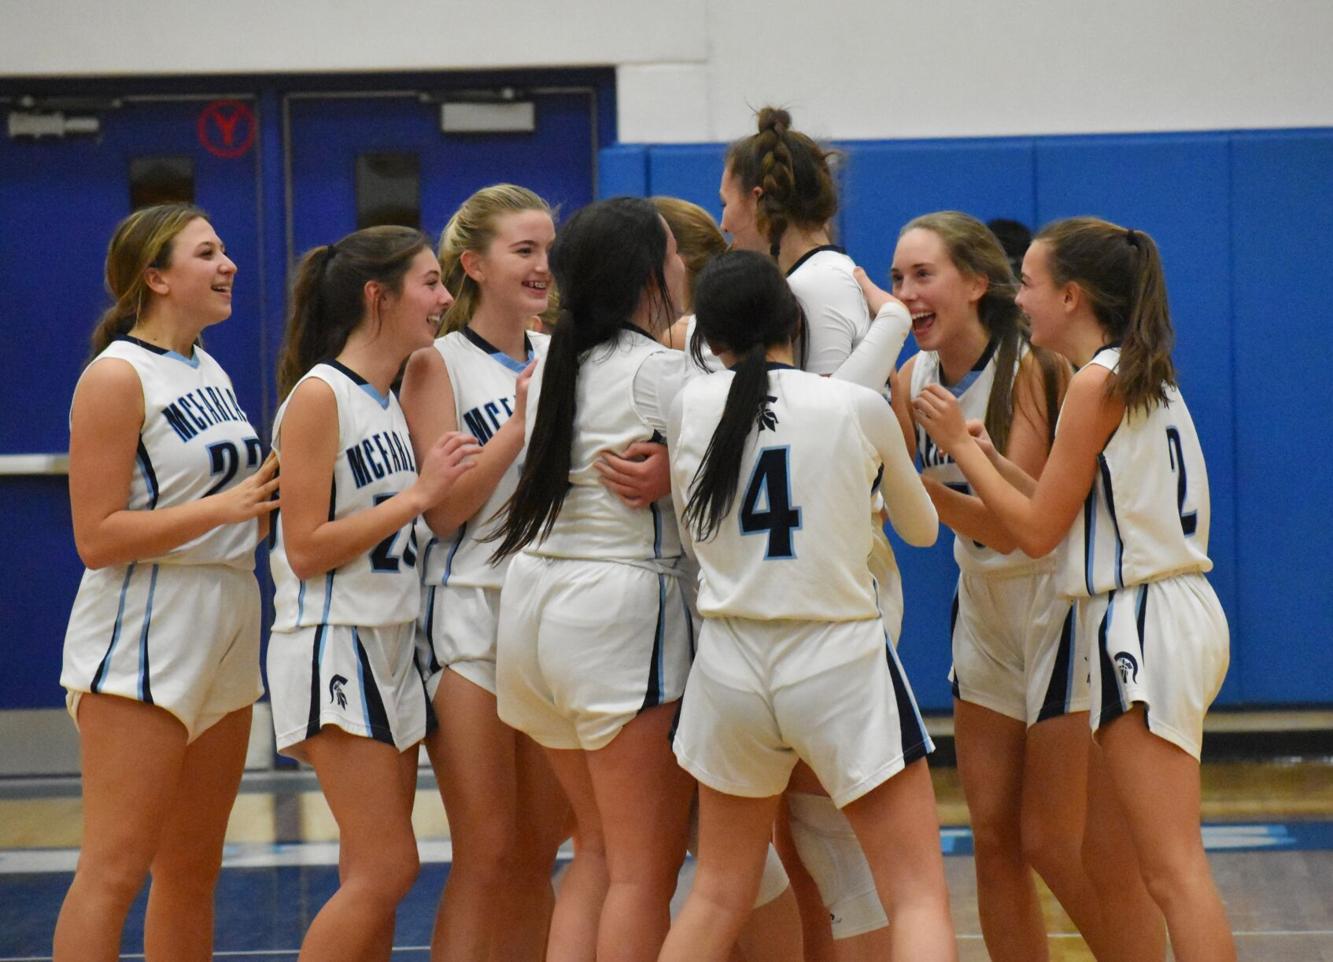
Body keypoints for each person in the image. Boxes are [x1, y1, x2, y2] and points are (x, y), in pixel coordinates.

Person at [914, 216, 1235, 962]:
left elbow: (1033, 534)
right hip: (1158, 611)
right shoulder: (1126, 370)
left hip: (1139, 619)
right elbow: (1062, 508)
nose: (1016, 298)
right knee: (1108, 859)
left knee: (1171, 869)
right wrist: (984, 463)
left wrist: (961, 447)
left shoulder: (1092, 383)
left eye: (1026, 283)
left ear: (1071, 295)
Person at [659, 250, 955, 962]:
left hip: (729, 667)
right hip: (837, 663)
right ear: (794, 320)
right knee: (914, 894)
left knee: (716, 894)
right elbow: (921, 531)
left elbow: (701, 543)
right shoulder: (854, 406)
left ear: (712, 340)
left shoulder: (687, 406)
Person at [878, 210, 1120, 961]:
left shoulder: (1031, 368)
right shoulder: (906, 378)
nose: (907, 293)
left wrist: (911, 491)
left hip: (1055, 603)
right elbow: (924, 505)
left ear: (976, 283)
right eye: (896, 279)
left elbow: (1014, 525)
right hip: (980, 606)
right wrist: (907, 491)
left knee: (1051, 840)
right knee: (990, 837)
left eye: (923, 275)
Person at [54, 203, 279, 962]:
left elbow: (227, 502)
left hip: (228, 609)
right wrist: (224, 507)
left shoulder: (205, 366)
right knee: (114, 868)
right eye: (207, 253)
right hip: (147, 619)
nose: (229, 265)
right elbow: (96, 536)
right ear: (155, 277)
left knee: (192, 868)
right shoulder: (115, 377)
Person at [717, 106, 912, 958]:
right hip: (817, 573)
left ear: (760, 197)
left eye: (725, 198)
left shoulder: (822, 283)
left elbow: (834, 417)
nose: (719, 217)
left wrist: (894, 325)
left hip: (842, 571)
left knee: (832, 829)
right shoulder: (810, 282)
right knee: (808, 824)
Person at [490, 197, 696, 962]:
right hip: (615, 609)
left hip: (533, 606)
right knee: (643, 872)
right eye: (674, 253)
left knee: (599, 854)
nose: (684, 267)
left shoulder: (548, 362)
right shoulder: (661, 372)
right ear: (650, 274)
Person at [267, 225, 480, 962]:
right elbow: (304, 547)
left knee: (369, 872)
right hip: (334, 638)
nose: (445, 298)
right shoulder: (320, 395)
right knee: (391, 866)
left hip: (389, 640)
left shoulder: (387, 399)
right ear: (375, 296)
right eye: (428, 282)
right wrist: (419, 496)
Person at [398, 183, 570, 962]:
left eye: (547, 250)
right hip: (467, 618)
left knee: (540, 852)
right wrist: (518, 423)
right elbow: (443, 510)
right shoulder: (437, 364)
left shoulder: (558, 353)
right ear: (473, 263)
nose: (542, 266)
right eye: (523, 250)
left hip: (550, 617)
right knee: (488, 852)